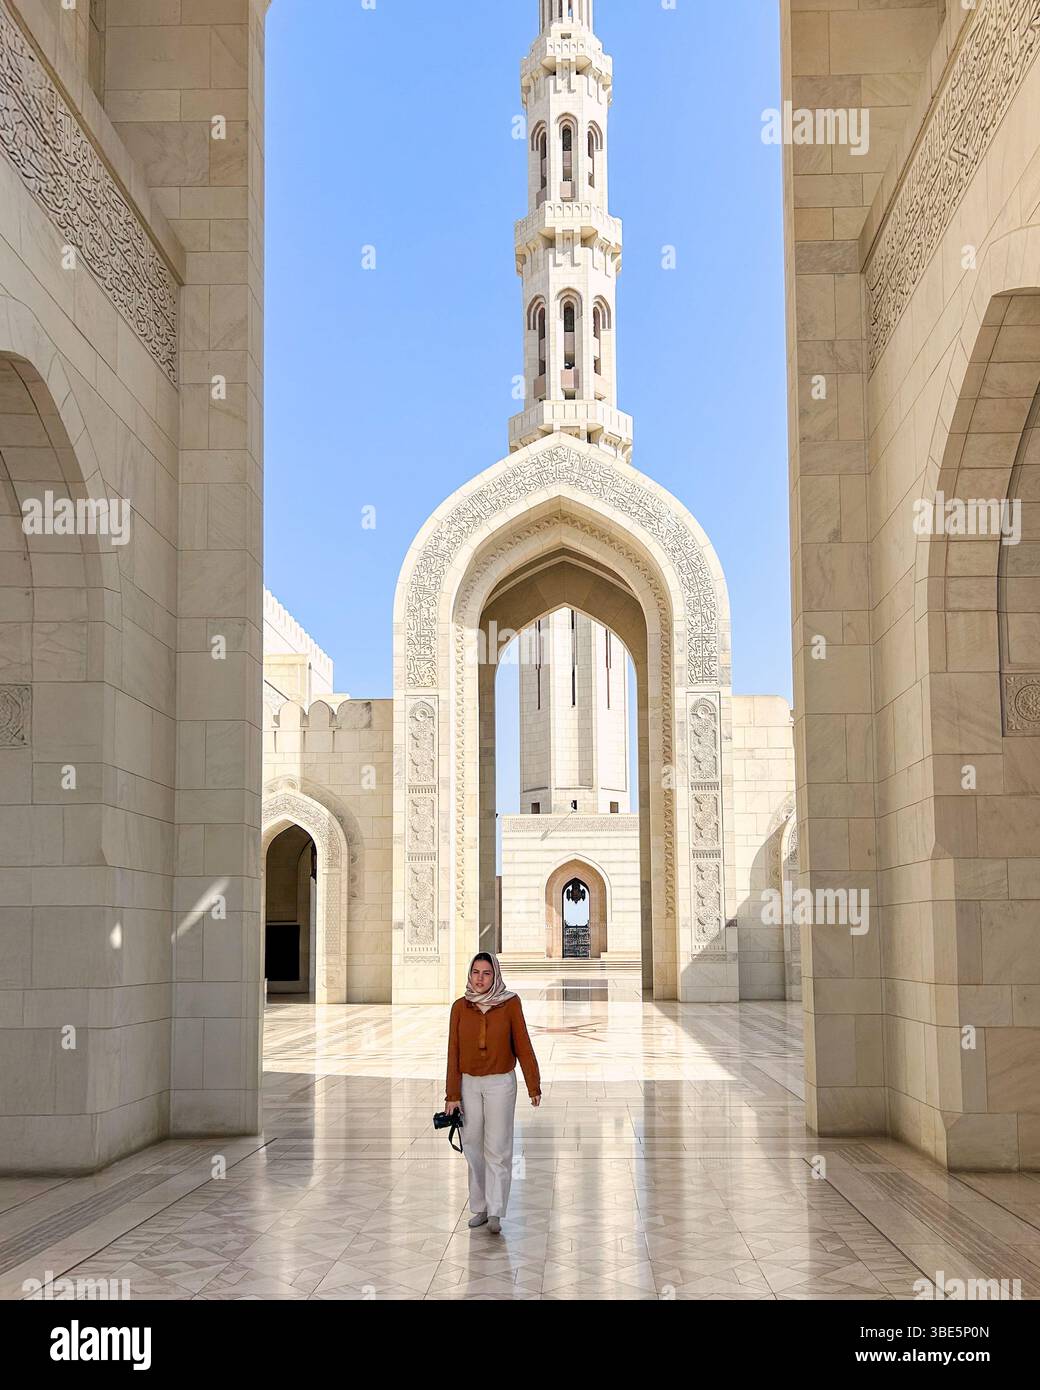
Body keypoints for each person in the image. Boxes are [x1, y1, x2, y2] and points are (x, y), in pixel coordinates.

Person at [444, 952, 541, 1234]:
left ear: (495, 975)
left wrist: (532, 1084)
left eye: (487, 973)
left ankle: (496, 1211)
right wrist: (452, 1094)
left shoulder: (510, 1004)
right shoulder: (460, 1008)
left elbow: (522, 1043)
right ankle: (481, 1207)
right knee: (472, 1146)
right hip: (469, 1085)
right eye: (476, 972)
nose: (480, 979)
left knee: (497, 1147)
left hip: (500, 1083)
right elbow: (453, 1052)